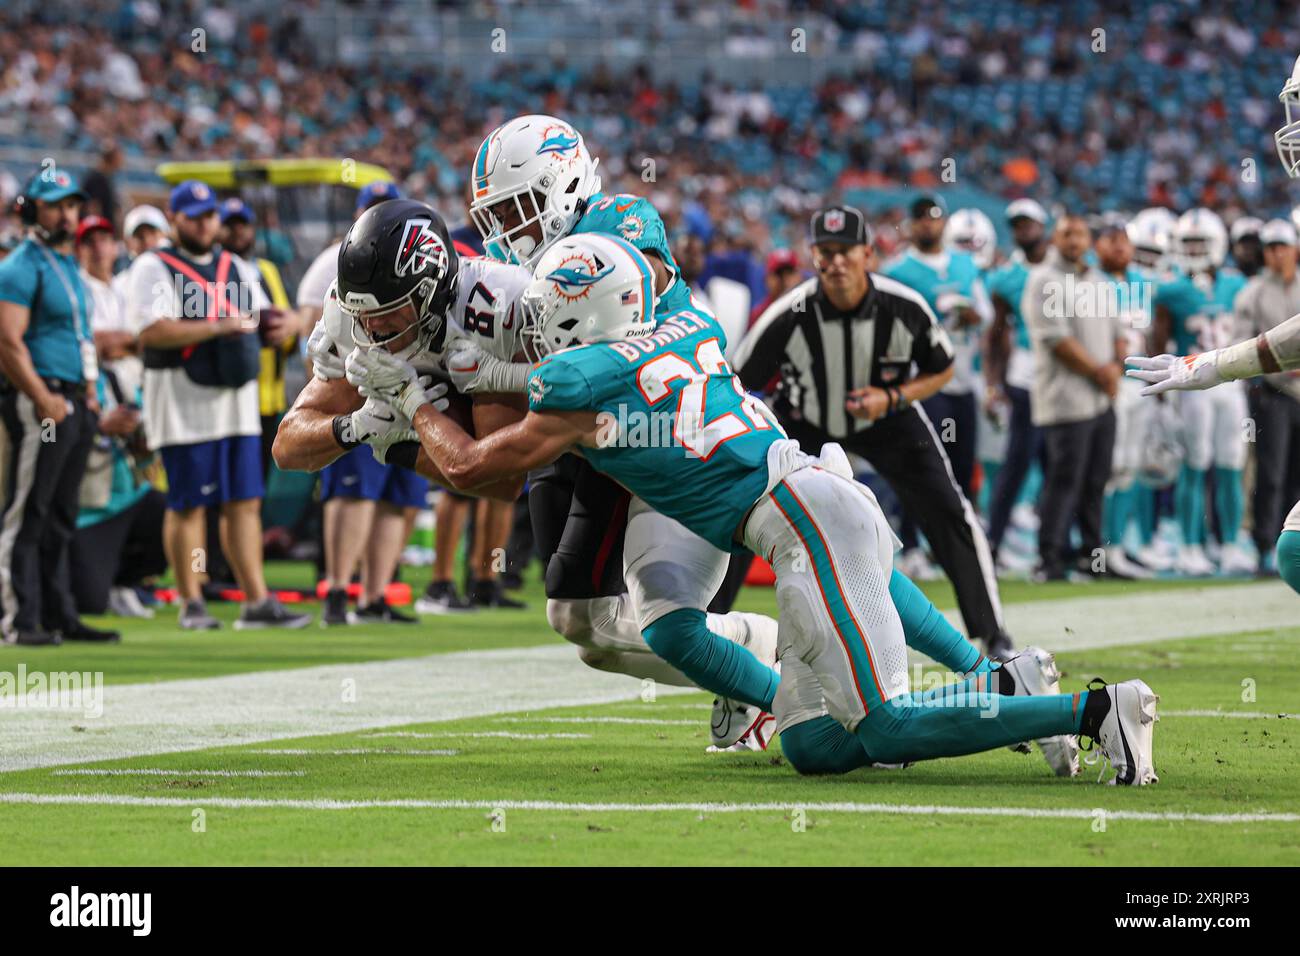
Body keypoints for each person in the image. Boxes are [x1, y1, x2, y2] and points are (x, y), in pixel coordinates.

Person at [358, 232, 1157, 784]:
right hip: (809, 499)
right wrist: (481, 373)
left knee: (885, 727)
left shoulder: (578, 381)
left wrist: (408, 404)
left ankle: (1094, 710)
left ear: (581, 316)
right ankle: (1008, 687)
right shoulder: (680, 322)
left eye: (547, 314)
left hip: (805, 520)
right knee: (813, 746)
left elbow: (472, 466)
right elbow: (572, 384)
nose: (534, 327)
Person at [734, 205, 1013, 658]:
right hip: (804, 419)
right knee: (741, 501)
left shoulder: (903, 306)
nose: (836, 262)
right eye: (826, 251)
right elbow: (737, 382)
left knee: (950, 511)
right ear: (813, 256)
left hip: (889, 418)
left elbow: (942, 367)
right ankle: (710, 622)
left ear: (868, 254)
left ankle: (993, 633)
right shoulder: (790, 312)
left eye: (846, 251)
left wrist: (894, 396)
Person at [125, 180, 310, 630]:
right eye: (194, 218)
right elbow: (150, 330)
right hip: (182, 404)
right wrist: (218, 326)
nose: (205, 225)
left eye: (210, 217)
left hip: (238, 403)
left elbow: (261, 319)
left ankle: (256, 600)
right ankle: (191, 600)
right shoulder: (153, 266)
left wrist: (288, 323)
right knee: (189, 504)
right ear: (175, 219)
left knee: (243, 501)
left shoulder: (235, 266)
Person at [293, 181, 429, 625]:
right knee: (354, 493)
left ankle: (374, 596)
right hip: (358, 391)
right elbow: (312, 329)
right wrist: (332, 387)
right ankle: (336, 589)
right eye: (372, 208)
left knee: (397, 498)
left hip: (408, 388)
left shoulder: (414, 259)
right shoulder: (334, 261)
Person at [0, 169, 120, 645]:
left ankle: (58, 614)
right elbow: (7, 343)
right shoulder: (19, 267)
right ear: (31, 209)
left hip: (73, 399)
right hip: (42, 400)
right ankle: (17, 619)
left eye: (72, 206)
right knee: (28, 509)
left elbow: (81, 336)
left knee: (61, 512)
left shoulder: (67, 266)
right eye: (56, 206)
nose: (67, 215)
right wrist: (41, 397)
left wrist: (90, 390)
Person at [1023, 213, 1125, 581]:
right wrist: (1102, 372)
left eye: (1080, 234)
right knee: (1063, 482)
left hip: (1101, 399)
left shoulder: (1099, 281)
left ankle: (1092, 558)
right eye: (1067, 233)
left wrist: (1116, 367)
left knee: (1097, 482)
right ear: (1055, 238)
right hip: (1066, 399)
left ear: (1088, 240)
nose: (1074, 240)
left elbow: (1119, 332)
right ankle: (1049, 559)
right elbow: (1056, 340)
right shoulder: (1043, 279)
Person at [1153, 209, 1249, 575]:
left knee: (1230, 465)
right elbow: (1158, 341)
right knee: (1194, 465)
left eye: (1200, 243)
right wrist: (1162, 398)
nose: (1193, 250)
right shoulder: (1171, 289)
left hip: (1232, 385)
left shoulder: (1235, 284)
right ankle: (1189, 546)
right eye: (1188, 243)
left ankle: (1229, 545)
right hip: (1193, 387)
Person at [983, 199, 1050, 572]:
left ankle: (1054, 548)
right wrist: (992, 384)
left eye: (1029, 224)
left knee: (1059, 466)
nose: (1023, 231)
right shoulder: (1007, 278)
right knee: (1017, 462)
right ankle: (993, 544)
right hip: (1025, 374)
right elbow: (995, 336)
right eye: (1017, 225)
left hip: (1064, 379)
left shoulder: (1066, 270)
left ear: (1043, 226)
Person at [1232, 218, 1300, 573]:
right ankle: (1265, 544)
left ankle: (1292, 546)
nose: (1277, 254)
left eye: (1282, 247)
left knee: (1296, 476)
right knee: (1271, 473)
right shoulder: (1253, 292)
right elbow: (1240, 346)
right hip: (1273, 393)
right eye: (1271, 248)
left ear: (1294, 249)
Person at [219, 197, 300, 474]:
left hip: (270, 394)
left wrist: (290, 327)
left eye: (242, 224)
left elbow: (286, 314)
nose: (237, 231)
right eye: (229, 225)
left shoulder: (267, 269)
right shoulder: (218, 271)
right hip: (238, 394)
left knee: (258, 478)